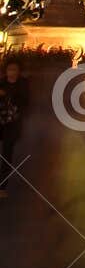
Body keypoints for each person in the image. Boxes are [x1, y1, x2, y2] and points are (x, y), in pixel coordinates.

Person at [0, 61, 29, 196]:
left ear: (18, 71)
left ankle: (2, 186)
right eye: (9, 69)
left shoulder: (22, 85)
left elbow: (25, 103)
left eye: (14, 69)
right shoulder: (1, 82)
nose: (11, 72)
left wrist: (7, 96)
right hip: (1, 120)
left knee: (7, 153)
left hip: (12, 124)